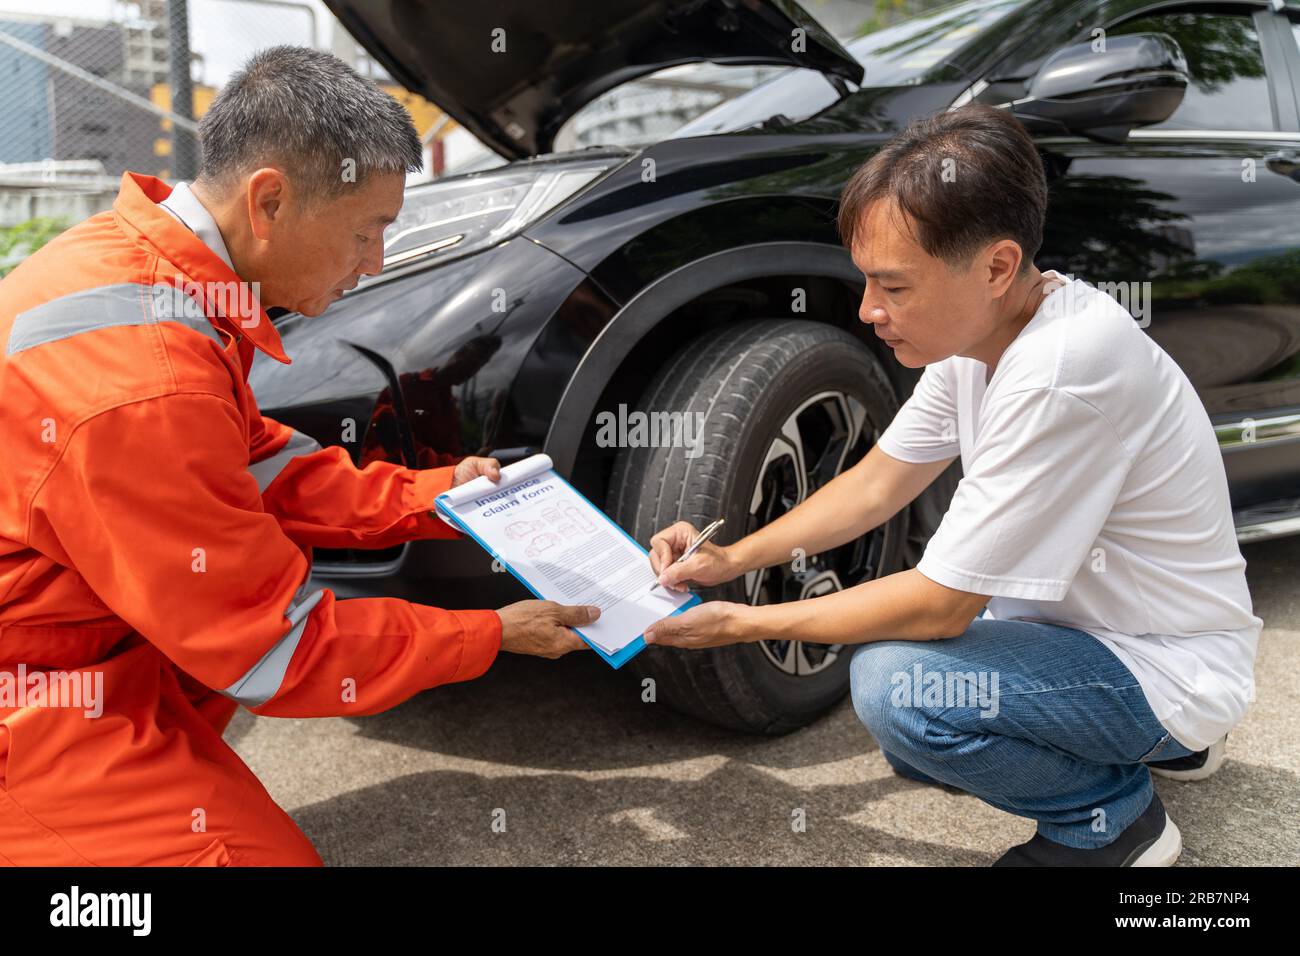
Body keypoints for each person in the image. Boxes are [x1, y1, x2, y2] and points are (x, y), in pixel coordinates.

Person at [0, 46, 593, 867]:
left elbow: (259, 470)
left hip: (87, 633)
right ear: (269, 199)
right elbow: (274, 646)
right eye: (368, 231)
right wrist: (488, 634)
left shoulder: (155, 278)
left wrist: (439, 495)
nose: (375, 264)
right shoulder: (147, 376)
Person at [642, 104, 1260, 866]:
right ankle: (1153, 747)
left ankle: (1111, 819)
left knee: (902, 690)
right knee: (920, 733)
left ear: (997, 267)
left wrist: (745, 626)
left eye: (892, 286)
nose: (868, 310)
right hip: (1115, 642)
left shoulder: (1059, 374)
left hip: (1165, 666)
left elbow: (940, 607)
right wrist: (733, 561)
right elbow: (876, 486)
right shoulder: (986, 338)